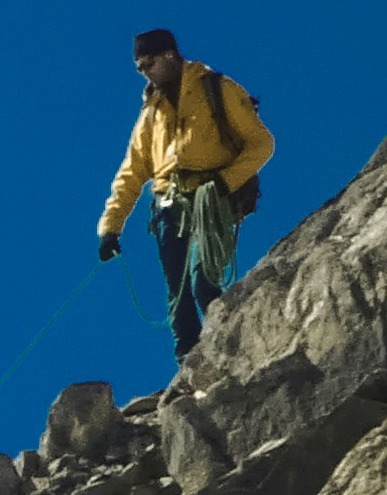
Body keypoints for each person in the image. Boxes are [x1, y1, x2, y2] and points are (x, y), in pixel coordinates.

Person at [96, 27, 273, 366]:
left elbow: (261, 143)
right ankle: (190, 367)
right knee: (177, 294)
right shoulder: (151, 114)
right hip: (167, 206)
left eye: (148, 63)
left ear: (170, 55)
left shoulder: (217, 89)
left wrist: (225, 183)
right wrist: (111, 227)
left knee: (203, 282)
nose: (144, 72)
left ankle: (228, 352)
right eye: (139, 67)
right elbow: (131, 173)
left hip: (213, 199)